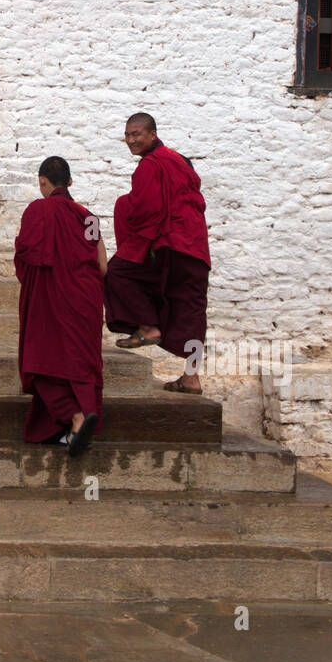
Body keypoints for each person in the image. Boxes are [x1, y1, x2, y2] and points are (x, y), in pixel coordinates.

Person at [104, 113, 211, 394]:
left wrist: (138, 245)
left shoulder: (151, 165)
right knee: (193, 311)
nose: (130, 140)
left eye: (136, 134)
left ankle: (149, 326)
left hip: (169, 243)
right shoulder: (177, 160)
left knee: (118, 272)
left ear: (153, 134)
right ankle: (191, 377)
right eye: (127, 135)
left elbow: (148, 210)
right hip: (196, 247)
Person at [14, 155, 108, 456]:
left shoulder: (36, 210)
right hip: (85, 302)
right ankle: (70, 425)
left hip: (50, 300)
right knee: (80, 362)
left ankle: (76, 417)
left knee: (43, 359)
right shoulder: (89, 217)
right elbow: (102, 266)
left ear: (43, 181)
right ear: (69, 182)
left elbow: (25, 257)